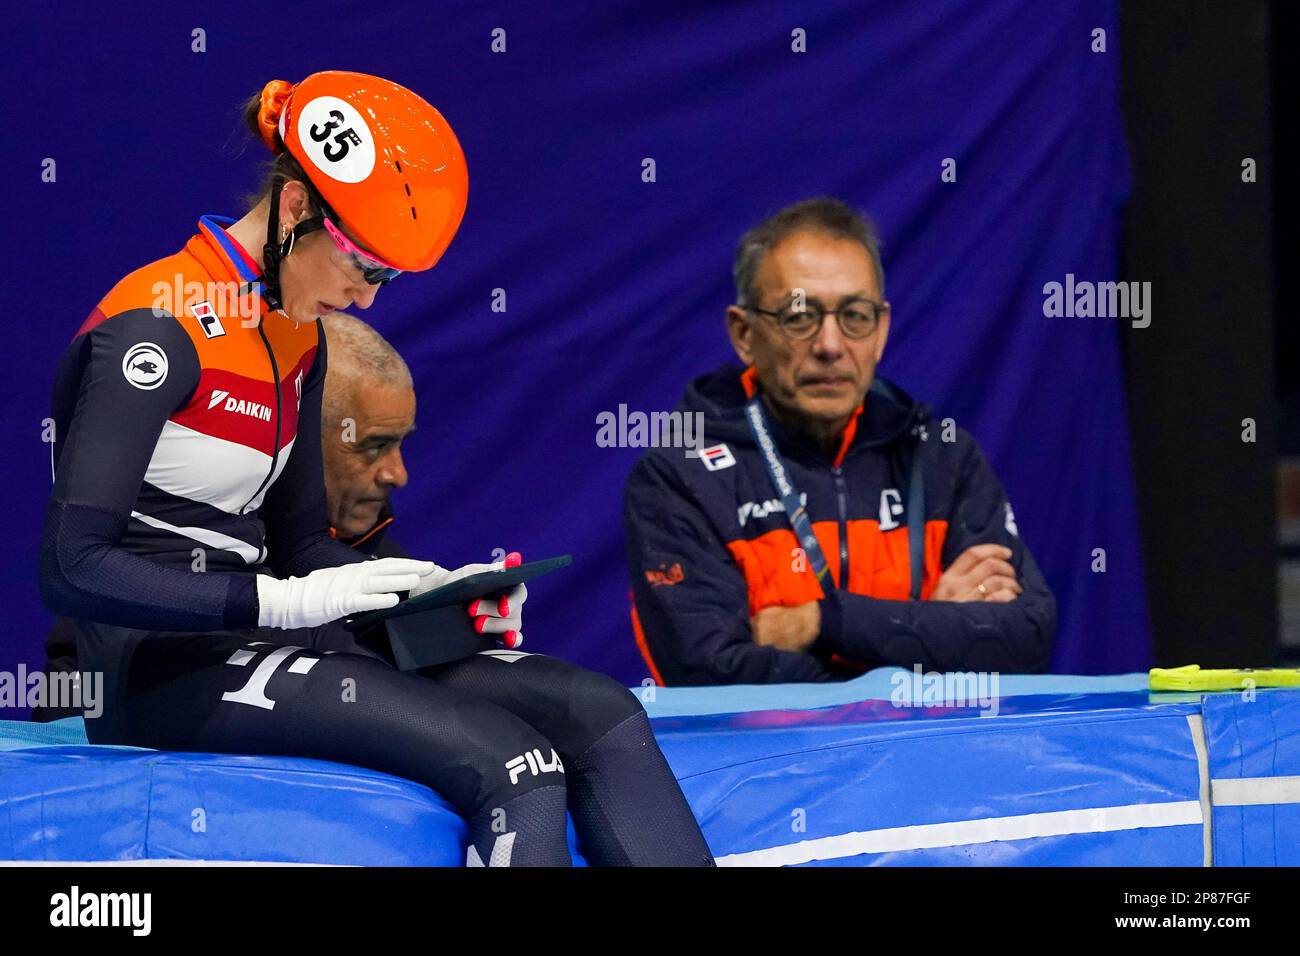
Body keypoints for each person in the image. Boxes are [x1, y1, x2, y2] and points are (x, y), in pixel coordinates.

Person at [40, 71, 713, 866]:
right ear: (295, 208)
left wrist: (419, 592)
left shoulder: (297, 333)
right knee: (516, 766)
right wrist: (291, 600)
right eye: (363, 265)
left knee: (601, 714)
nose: (366, 298)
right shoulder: (153, 324)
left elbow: (301, 549)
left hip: (262, 637)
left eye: (387, 278)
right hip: (151, 669)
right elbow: (71, 567)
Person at [624, 197, 1057, 686]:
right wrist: (927, 633)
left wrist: (819, 622)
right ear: (744, 334)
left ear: (881, 329)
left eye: (855, 316)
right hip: (769, 763)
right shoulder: (679, 477)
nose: (831, 345)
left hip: (932, 760)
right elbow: (710, 674)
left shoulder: (944, 456)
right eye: (799, 316)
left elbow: (1024, 638)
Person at [31, 312, 412, 720]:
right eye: (374, 446)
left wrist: (454, 604)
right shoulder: (161, 556)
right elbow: (72, 705)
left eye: (401, 443)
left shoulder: (380, 559)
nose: (398, 474)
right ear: (291, 437)